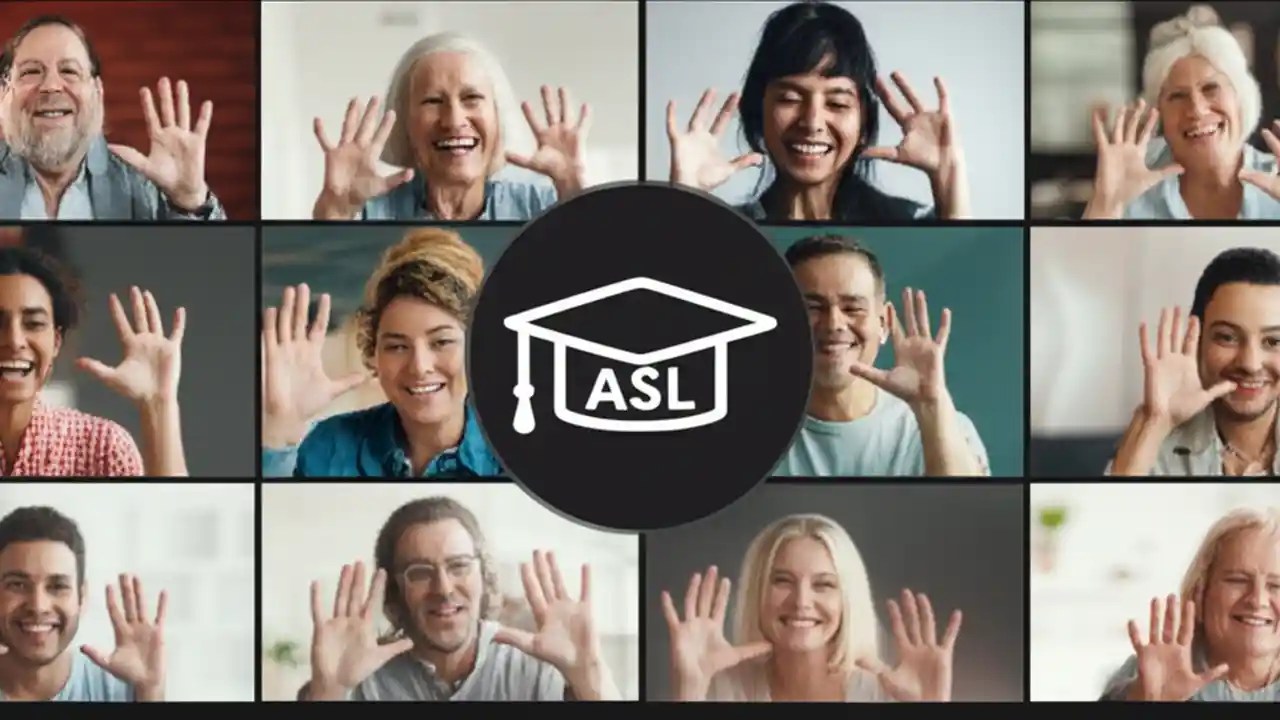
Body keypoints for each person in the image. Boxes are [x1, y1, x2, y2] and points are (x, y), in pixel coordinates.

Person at [665, 1, 970, 221]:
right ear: (758, 111)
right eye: (789, 98)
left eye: (837, 103)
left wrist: (950, 184)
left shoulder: (912, 222)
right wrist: (682, 204)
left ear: (864, 122)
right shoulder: (727, 233)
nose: (812, 122)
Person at [296, 496, 622, 701]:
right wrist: (329, 691)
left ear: (484, 577)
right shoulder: (359, 680)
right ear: (395, 591)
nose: (444, 588)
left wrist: (590, 675)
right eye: (421, 572)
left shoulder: (539, 671)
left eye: (459, 566)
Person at [261, 228, 500, 477]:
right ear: (374, 354)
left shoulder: (517, 456)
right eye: (397, 346)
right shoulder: (328, 446)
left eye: (441, 342)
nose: (419, 366)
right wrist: (281, 428)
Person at [659, 513, 963, 702]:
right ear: (757, 592)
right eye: (782, 581)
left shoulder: (888, 695)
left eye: (824, 584)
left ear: (848, 600)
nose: (802, 601)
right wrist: (688, 693)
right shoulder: (719, 691)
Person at [311, 31, 591, 221]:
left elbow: (607, 278)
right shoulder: (371, 212)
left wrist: (575, 190)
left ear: (497, 117)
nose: (455, 120)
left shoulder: (541, 207)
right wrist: (335, 209)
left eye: (471, 98)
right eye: (433, 101)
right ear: (406, 124)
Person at [772, 235, 988, 476]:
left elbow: (958, 510)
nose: (834, 324)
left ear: (883, 323)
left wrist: (931, 406)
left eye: (852, 308)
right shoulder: (741, 430)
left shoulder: (947, 428)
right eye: (812, 308)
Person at [0, 15, 226, 220]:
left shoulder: (147, 186)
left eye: (69, 71)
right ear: (4, 93)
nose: (50, 86)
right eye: (30, 72)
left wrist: (190, 203)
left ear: (98, 92)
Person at [0, 245, 187, 477]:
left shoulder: (103, 447)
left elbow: (164, 508)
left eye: (34, 324)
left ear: (56, 342)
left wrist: (158, 403)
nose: (15, 340)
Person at [1083, 6, 1280, 220]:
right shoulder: (1131, 178)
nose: (1196, 109)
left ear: (1241, 98)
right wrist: (1105, 203)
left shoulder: (1276, 177)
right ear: (1158, 112)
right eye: (1177, 96)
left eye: (1210, 89)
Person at [1107, 247, 1278, 476]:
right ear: (1196, 339)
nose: (1251, 363)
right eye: (1227, 337)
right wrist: (1157, 423)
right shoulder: (1152, 441)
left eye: (1273, 341)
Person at [1099, 506, 1280, 701]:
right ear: (1200, 592)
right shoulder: (1154, 671)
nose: (1257, 600)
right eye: (1237, 580)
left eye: (1276, 585)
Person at [0, 506, 168, 701]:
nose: (39, 606)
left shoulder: (120, 689)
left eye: (57, 586)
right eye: (18, 585)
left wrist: (151, 691)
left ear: (82, 597)